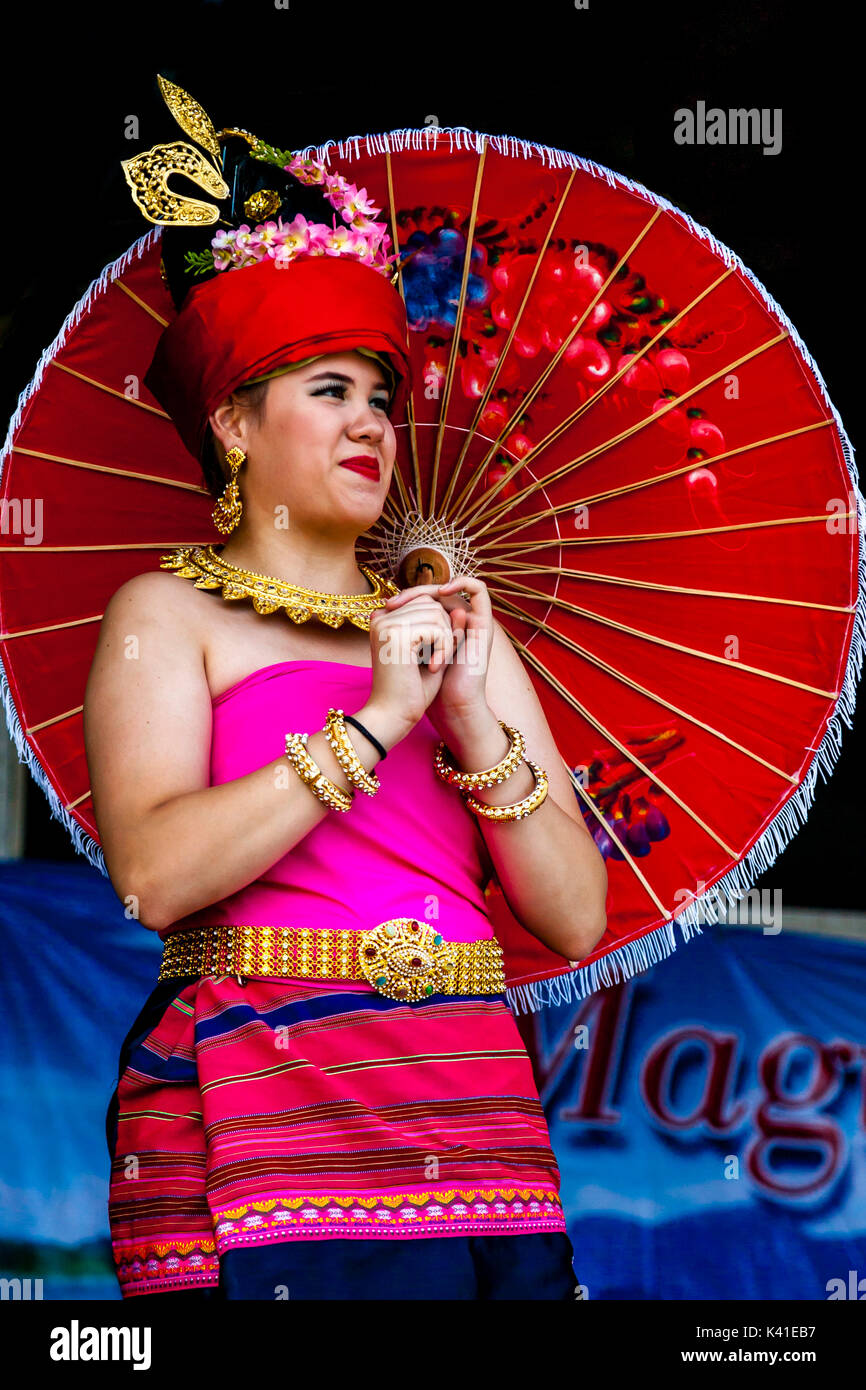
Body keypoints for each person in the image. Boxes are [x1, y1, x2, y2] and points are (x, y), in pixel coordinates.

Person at [85, 80, 608, 1301]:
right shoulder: (165, 615)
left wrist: (469, 715)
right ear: (231, 422)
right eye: (328, 391)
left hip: (470, 1105)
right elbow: (153, 875)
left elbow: (575, 920)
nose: (371, 420)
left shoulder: (459, 634)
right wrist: (376, 718)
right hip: (262, 1096)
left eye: (380, 392)